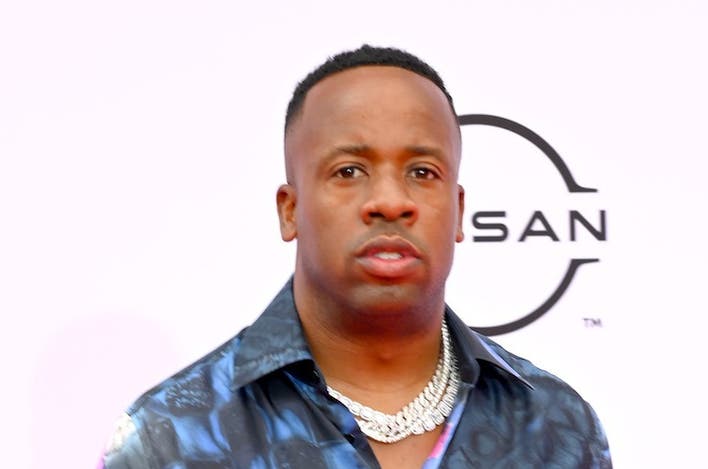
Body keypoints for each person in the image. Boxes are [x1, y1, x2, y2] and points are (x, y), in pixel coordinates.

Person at [101, 45, 611, 469]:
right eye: (348, 171)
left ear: (458, 212)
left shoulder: (556, 425)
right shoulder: (171, 437)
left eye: (422, 172)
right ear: (290, 210)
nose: (390, 201)